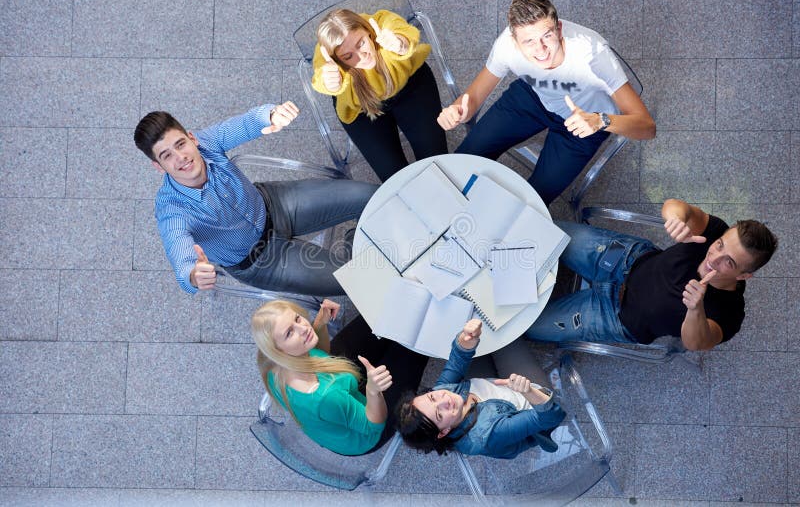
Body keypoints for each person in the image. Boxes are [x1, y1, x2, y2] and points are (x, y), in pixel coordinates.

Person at [438, 0, 656, 205]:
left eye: (547, 36)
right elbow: (475, 95)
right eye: (529, 41)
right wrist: (458, 110)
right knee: (463, 161)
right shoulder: (506, 46)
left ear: (559, 29)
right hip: (533, 96)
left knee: (532, 204)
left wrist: (601, 120)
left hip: (586, 121)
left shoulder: (594, 55)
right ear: (515, 41)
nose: (540, 49)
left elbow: (647, 127)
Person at [133, 105, 377, 295]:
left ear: (192, 138)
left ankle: (361, 238)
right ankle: (356, 243)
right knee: (359, 282)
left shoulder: (206, 141)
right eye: (167, 155)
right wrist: (193, 275)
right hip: (261, 261)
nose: (181, 157)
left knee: (371, 196)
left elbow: (245, 123)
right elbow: (178, 252)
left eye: (180, 144)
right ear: (159, 166)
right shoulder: (171, 209)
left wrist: (270, 115)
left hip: (276, 205)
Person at [525, 199, 778, 351]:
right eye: (720, 245)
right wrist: (676, 219)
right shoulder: (714, 231)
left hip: (615, 317)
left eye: (729, 263)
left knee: (529, 327)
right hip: (626, 260)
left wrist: (695, 310)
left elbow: (696, 343)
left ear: (744, 276)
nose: (714, 258)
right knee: (542, 233)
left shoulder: (730, 313)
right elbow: (674, 206)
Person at [252, 298, 428, 455]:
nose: (304, 328)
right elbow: (373, 425)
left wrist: (320, 324)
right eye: (289, 333)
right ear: (278, 352)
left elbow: (319, 355)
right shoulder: (325, 397)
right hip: (367, 429)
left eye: (297, 318)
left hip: (337, 388)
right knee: (415, 341)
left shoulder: (270, 365)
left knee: (381, 317)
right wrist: (373, 391)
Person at [396, 320, 566, 459]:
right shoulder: (489, 434)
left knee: (483, 330)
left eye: (432, 397)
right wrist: (527, 391)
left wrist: (465, 341)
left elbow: (456, 363)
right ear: (444, 431)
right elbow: (552, 416)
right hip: (531, 401)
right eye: (439, 415)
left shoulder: (440, 394)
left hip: (495, 386)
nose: (444, 400)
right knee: (506, 330)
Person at [312, 8, 448, 182]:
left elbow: (402, 31)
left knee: (436, 160)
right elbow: (320, 76)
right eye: (348, 56)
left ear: (367, 30)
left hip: (411, 86)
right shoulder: (325, 52)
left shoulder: (381, 22)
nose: (361, 57)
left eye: (361, 43)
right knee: (394, 178)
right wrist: (330, 82)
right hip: (362, 109)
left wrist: (400, 43)